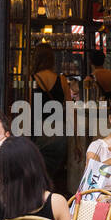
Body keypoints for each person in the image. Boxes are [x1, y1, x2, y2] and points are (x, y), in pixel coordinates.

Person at [29, 43, 72, 193]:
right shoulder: (62, 80)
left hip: (37, 131)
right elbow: (69, 109)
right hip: (59, 133)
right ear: (52, 59)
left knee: (36, 171)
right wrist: (75, 139)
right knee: (54, 173)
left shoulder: (31, 79)